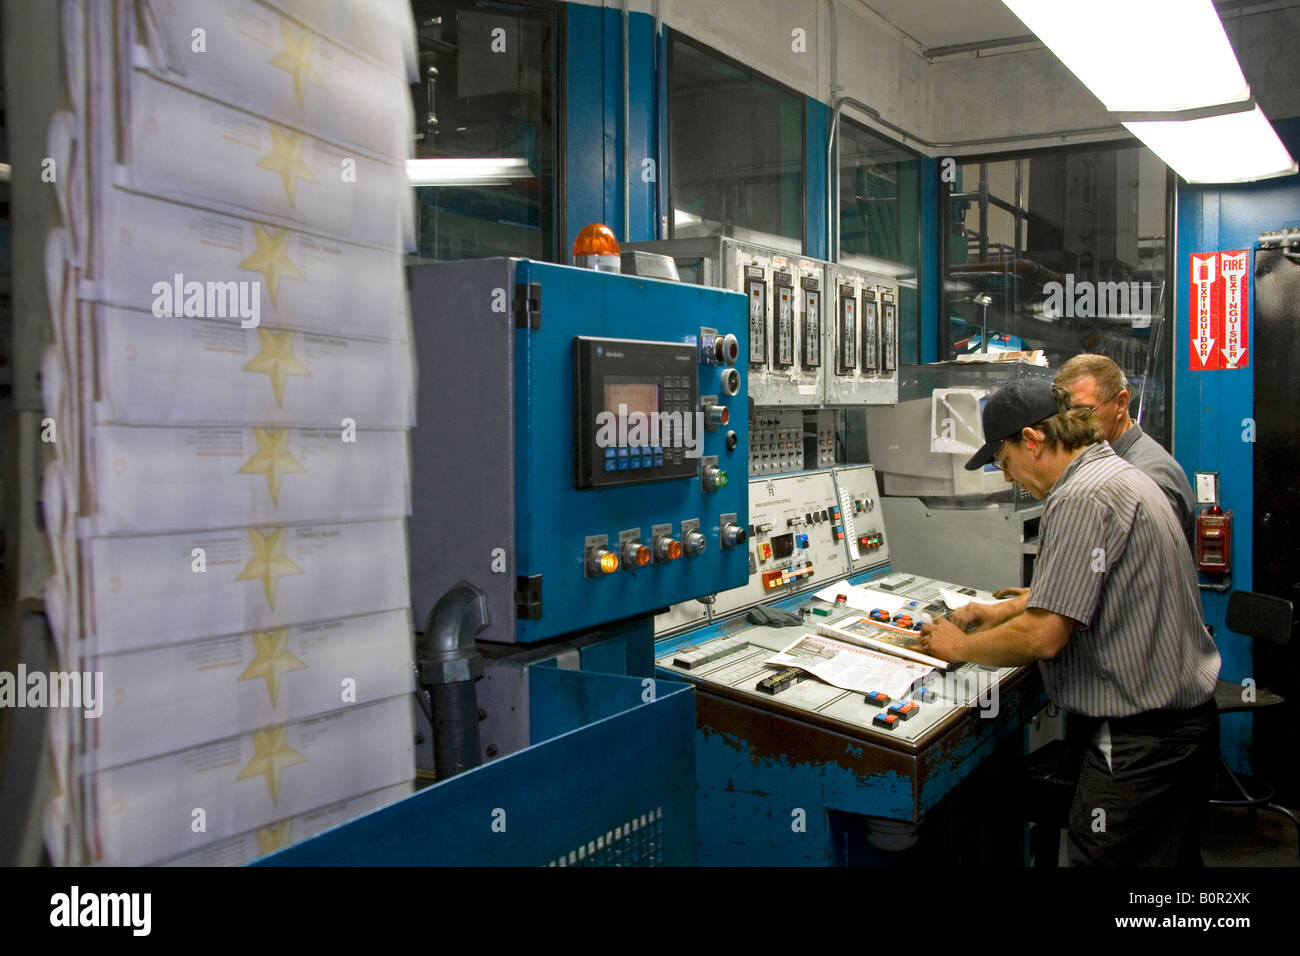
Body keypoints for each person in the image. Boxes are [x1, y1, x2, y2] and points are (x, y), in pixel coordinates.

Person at [919, 379, 1221, 866]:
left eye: (1004, 462)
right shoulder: (1113, 475)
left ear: (1032, 441)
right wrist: (999, 611)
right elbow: (1094, 586)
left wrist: (959, 647)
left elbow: (1044, 637)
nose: (1008, 478)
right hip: (1178, 732)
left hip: (1138, 744)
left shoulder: (1080, 496)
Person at [1055, 354, 1195, 545]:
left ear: (1121, 403)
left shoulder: (1146, 476)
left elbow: (1151, 567)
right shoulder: (1109, 462)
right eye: (1062, 413)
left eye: (1083, 411)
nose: (1069, 424)